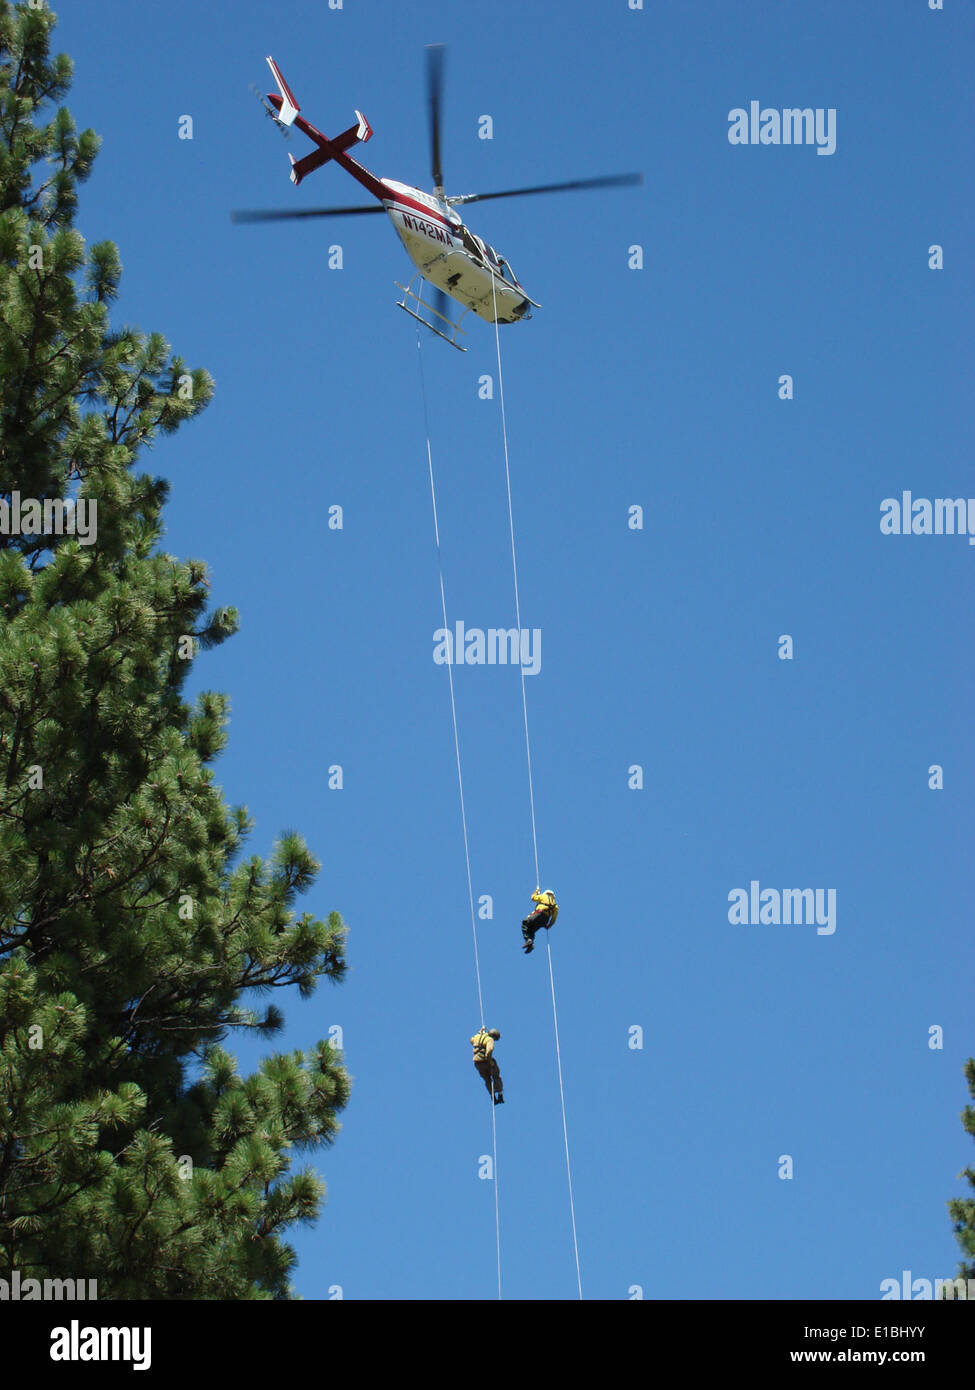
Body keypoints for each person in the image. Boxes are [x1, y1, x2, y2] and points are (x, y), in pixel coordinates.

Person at [470, 1027, 504, 1104]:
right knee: (496, 1075)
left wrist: (479, 1032)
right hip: (485, 1061)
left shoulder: (477, 1037)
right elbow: (489, 1050)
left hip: (477, 1063)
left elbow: (471, 1040)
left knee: (487, 1079)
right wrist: (490, 1061)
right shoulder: (489, 1039)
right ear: (494, 1036)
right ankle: (500, 1094)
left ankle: (493, 1097)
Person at [522, 887, 558, 954]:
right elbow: (554, 918)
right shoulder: (555, 906)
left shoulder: (544, 896)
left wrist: (536, 891)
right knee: (531, 929)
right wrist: (548, 926)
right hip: (545, 920)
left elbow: (533, 897)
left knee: (525, 923)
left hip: (539, 914)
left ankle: (529, 940)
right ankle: (530, 944)